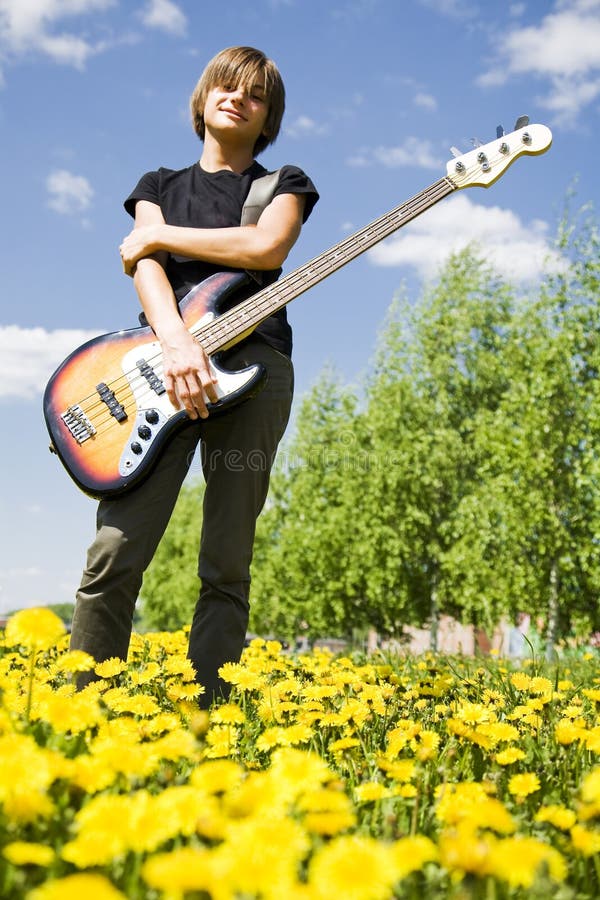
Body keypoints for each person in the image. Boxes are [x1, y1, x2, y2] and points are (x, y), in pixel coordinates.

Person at [69, 46, 319, 706]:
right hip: (162, 370)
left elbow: (266, 247)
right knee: (114, 552)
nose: (237, 98)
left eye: (255, 95)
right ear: (203, 99)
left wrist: (160, 240)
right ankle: (84, 713)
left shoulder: (284, 184)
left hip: (255, 373)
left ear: (269, 118)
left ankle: (209, 715)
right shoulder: (156, 184)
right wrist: (178, 343)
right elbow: (143, 265)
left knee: (226, 559)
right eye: (225, 87)